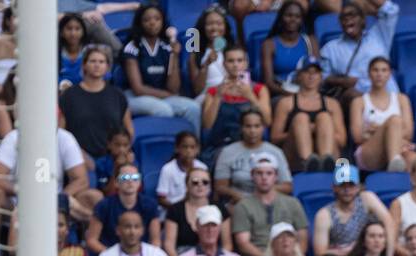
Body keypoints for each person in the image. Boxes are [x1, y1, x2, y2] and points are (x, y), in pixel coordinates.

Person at [120, 3, 202, 134]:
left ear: (163, 22)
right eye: (147, 19)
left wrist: (174, 56)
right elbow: (138, 88)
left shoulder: (167, 47)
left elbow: (173, 88)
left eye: (157, 19)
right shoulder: (132, 46)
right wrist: (168, 95)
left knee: (193, 108)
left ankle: (194, 148)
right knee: (164, 110)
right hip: (134, 97)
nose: (152, 23)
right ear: (140, 23)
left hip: (162, 96)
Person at [313, 164, 394, 256]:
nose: (347, 190)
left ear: (358, 187)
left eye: (351, 185)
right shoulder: (324, 214)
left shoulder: (367, 199)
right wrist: (347, 251)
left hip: (367, 251)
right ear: (334, 187)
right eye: (342, 185)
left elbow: (389, 222)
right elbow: (320, 253)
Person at [231, 155, 309, 256]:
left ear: (276, 176)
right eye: (259, 173)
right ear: (252, 176)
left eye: (269, 173)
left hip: (289, 252)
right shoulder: (243, 206)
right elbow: (243, 243)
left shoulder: (292, 203)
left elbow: (302, 236)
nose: (264, 178)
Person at [271, 55, 346, 173]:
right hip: (295, 154)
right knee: (301, 119)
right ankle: (308, 162)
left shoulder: (332, 104)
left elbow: (342, 140)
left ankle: (325, 162)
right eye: (307, 72)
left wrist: (318, 129)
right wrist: (300, 129)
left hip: (330, 151)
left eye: (315, 73)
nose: (311, 76)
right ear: (299, 75)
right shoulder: (286, 103)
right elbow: (275, 138)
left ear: (321, 76)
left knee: (324, 117)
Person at [58, 45, 132, 161]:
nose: (97, 65)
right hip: (77, 158)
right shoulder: (69, 96)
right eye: (92, 61)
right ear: (84, 65)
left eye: (101, 62)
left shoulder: (118, 95)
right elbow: (61, 132)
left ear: (107, 67)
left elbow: (129, 131)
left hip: (111, 160)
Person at [319, 0, 400, 106]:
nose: (348, 18)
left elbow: (391, 10)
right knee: (353, 96)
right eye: (343, 17)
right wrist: (342, 81)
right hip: (356, 102)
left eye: (352, 15)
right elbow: (322, 78)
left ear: (363, 20)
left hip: (387, 96)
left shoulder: (379, 35)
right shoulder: (330, 49)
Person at [202, 46, 274, 159]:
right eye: (231, 61)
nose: (235, 65)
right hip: (222, 146)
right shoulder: (213, 91)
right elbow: (207, 125)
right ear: (224, 64)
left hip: (253, 146)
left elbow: (267, 121)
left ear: (246, 63)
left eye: (240, 60)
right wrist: (218, 97)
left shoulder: (259, 89)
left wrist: (251, 97)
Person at [212, 110, 293, 208]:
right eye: (248, 126)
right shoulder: (228, 152)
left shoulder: (275, 152)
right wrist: (238, 196)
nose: (252, 131)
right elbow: (220, 186)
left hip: (270, 203)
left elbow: (287, 186)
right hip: (238, 203)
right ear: (241, 128)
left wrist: (263, 191)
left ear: (263, 128)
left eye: (257, 126)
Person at [348, 56, 414, 173]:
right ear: (369, 74)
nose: (379, 74)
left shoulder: (402, 99)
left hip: (399, 147)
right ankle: (394, 161)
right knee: (395, 121)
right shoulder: (359, 102)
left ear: (389, 74)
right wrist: (389, 130)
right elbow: (357, 137)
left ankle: (396, 169)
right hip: (369, 151)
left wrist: (379, 130)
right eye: (375, 70)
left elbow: (409, 133)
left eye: (384, 70)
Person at [86, 164, 161, 256]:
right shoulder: (104, 205)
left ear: (140, 182)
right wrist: (113, 255)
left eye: (134, 177)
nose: (130, 181)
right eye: (124, 177)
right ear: (116, 182)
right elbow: (92, 240)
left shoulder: (150, 204)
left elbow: (155, 240)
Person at [259, 1, 319, 100]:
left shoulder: (311, 41)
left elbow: (318, 74)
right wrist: (294, 96)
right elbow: (268, 82)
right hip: (281, 94)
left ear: (302, 20)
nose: (293, 19)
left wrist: (306, 93)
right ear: (281, 17)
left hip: (308, 91)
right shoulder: (269, 45)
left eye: (297, 16)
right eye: (288, 15)